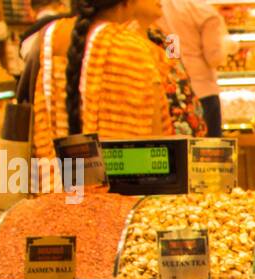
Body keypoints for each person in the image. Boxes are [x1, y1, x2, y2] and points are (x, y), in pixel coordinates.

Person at [25, 0, 176, 160]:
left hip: (53, 177)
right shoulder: (131, 48)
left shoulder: (50, 36)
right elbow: (156, 141)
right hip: (121, 179)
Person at [159, 0, 229, 137]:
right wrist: (229, 47)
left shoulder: (162, 9)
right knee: (209, 152)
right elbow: (214, 57)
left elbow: (171, 52)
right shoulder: (203, 11)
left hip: (176, 92)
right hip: (203, 91)